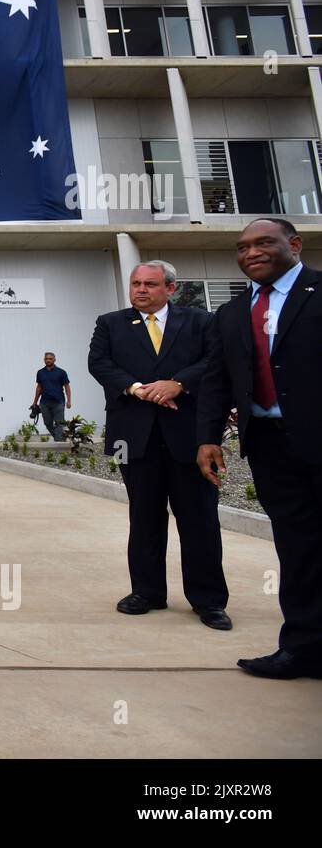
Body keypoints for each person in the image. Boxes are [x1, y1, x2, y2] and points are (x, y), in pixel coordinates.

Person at [197, 219, 322, 679]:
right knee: (297, 549)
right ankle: (303, 649)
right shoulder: (231, 314)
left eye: (263, 243)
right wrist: (208, 438)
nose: (251, 252)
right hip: (270, 446)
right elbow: (217, 380)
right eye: (242, 247)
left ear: (294, 244)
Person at [88, 261, 230, 630]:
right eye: (135, 283)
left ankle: (209, 600)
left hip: (190, 438)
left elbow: (216, 361)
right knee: (145, 517)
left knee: (199, 520)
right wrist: (139, 389)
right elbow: (99, 364)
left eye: (150, 284)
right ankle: (147, 592)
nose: (140, 289)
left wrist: (178, 384)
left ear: (170, 288)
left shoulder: (200, 321)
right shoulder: (111, 323)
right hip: (134, 437)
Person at [33, 351, 71, 440]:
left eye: (50, 359)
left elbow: (67, 386)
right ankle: (60, 438)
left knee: (59, 423)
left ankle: (59, 441)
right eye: (46, 359)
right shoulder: (40, 372)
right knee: (47, 423)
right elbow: (39, 387)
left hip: (58, 402)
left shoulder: (61, 372)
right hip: (44, 402)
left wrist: (69, 401)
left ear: (54, 360)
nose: (48, 360)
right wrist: (35, 402)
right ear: (44, 360)